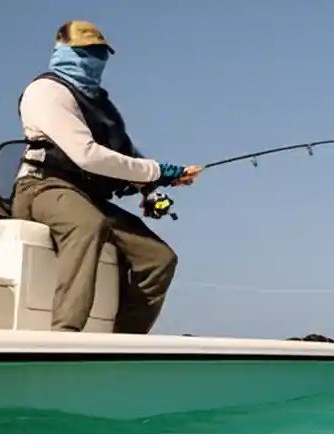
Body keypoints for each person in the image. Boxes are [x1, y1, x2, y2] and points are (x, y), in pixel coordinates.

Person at [11, 20, 201, 333]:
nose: (96, 59)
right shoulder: (45, 91)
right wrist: (155, 170)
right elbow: (86, 154)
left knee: (159, 258)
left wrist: (163, 178)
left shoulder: (99, 103)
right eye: (87, 51)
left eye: (101, 52)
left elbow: (125, 156)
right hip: (42, 187)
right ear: (63, 51)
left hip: (88, 196)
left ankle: (122, 342)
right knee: (87, 224)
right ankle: (65, 333)